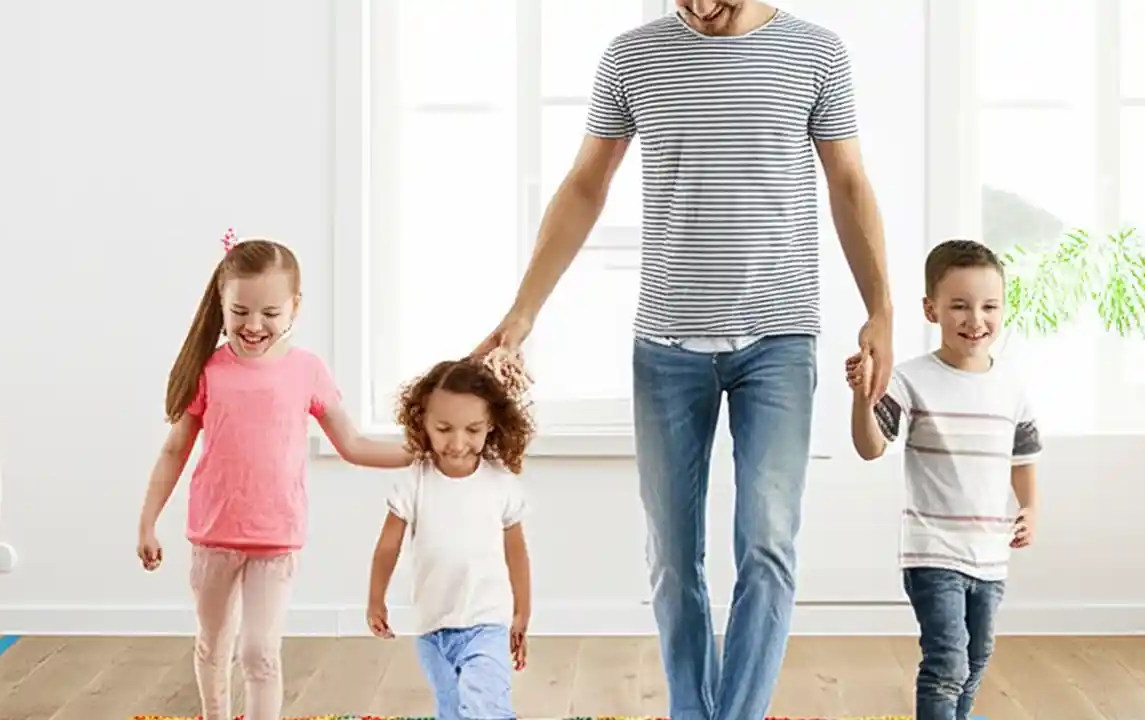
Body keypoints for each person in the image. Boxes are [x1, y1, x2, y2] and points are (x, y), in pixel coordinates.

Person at [473, 1, 892, 718]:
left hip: (779, 339)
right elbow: (584, 186)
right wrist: (523, 310)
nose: (699, 7)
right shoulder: (633, 55)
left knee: (766, 546)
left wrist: (879, 307)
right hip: (665, 346)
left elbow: (849, 184)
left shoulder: (816, 53)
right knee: (672, 561)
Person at [135, 235, 413, 720]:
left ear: (295, 307)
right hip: (213, 537)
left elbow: (352, 445)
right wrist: (147, 523)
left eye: (269, 312)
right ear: (221, 304)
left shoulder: (306, 370)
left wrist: (419, 453)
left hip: (276, 537)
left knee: (259, 652)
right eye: (240, 311)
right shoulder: (207, 371)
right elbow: (174, 449)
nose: (254, 325)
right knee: (213, 645)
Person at [846, 239, 1040, 720]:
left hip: (990, 554)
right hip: (932, 551)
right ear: (931, 310)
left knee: (977, 659)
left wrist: (1031, 508)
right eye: (959, 306)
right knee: (946, 662)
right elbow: (871, 447)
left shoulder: (1012, 384)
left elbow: (1024, 454)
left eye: (989, 306)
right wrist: (863, 397)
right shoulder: (911, 380)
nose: (976, 319)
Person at [366, 352, 535, 720]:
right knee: (452, 710)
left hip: (487, 621)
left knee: (484, 705)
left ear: (491, 424)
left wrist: (522, 610)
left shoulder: (500, 483)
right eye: (444, 429)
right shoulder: (414, 481)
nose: (458, 443)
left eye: (472, 430)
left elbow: (516, 552)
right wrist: (375, 599)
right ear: (422, 421)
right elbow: (387, 548)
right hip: (432, 627)